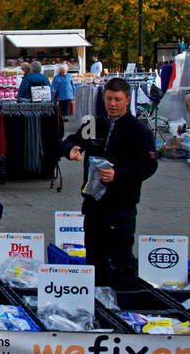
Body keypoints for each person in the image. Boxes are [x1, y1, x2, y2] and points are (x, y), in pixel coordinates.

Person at [60, 77, 158, 288]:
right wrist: (71, 150)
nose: (112, 104)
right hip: (94, 204)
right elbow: (71, 141)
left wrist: (119, 175)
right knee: (94, 256)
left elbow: (149, 165)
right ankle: (97, 299)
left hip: (121, 205)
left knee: (121, 258)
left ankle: (124, 304)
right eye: (108, 99)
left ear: (127, 100)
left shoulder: (139, 130)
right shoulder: (95, 124)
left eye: (117, 99)